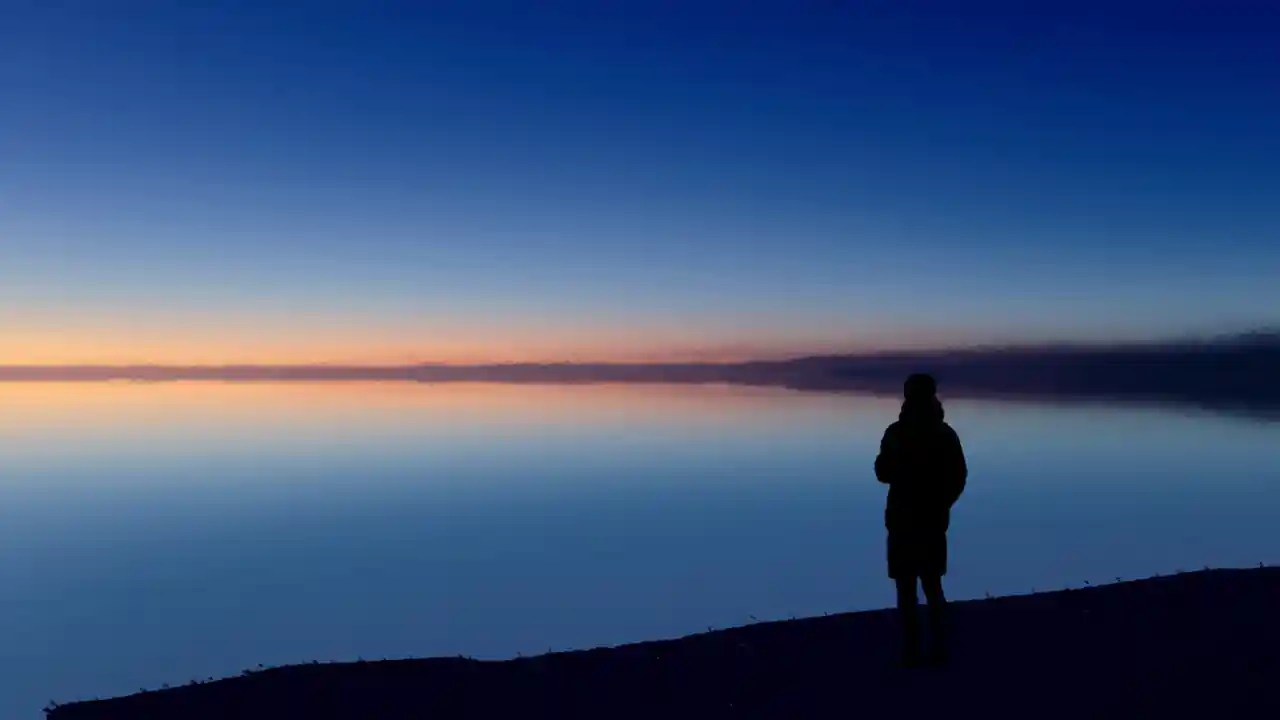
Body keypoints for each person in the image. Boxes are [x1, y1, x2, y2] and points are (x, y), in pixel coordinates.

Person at [875, 373, 967, 667]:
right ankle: (932, 649)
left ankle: (915, 651)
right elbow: (957, 478)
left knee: (911, 588)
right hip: (925, 521)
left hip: (910, 520)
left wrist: (939, 503)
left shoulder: (899, 433)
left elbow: (882, 472)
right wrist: (942, 506)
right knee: (929, 585)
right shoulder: (943, 433)